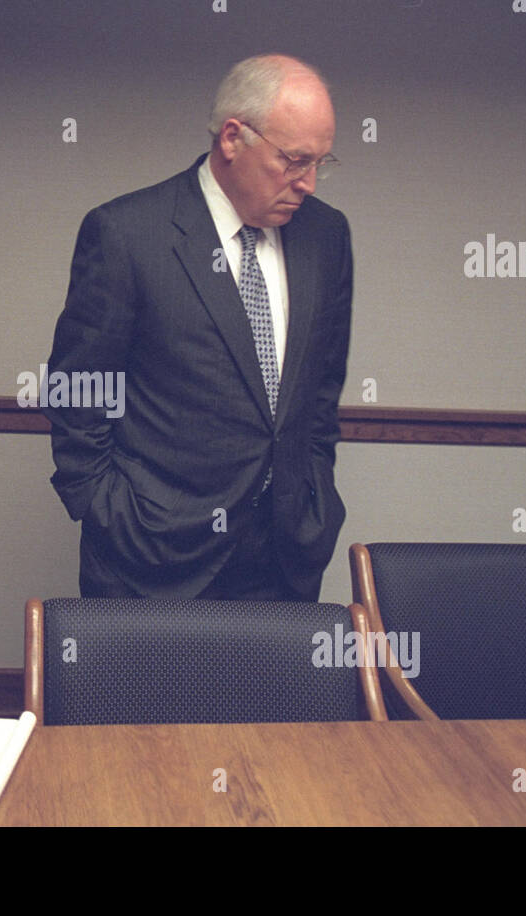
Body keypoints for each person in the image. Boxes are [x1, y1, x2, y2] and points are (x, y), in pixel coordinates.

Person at [45, 54, 353, 602]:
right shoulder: (127, 233)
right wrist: (108, 508)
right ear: (233, 138)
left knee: (277, 693)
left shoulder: (326, 236)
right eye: (294, 161)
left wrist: (314, 499)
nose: (308, 183)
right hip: (152, 555)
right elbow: (77, 390)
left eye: (321, 164)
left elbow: (321, 390)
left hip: (284, 557)